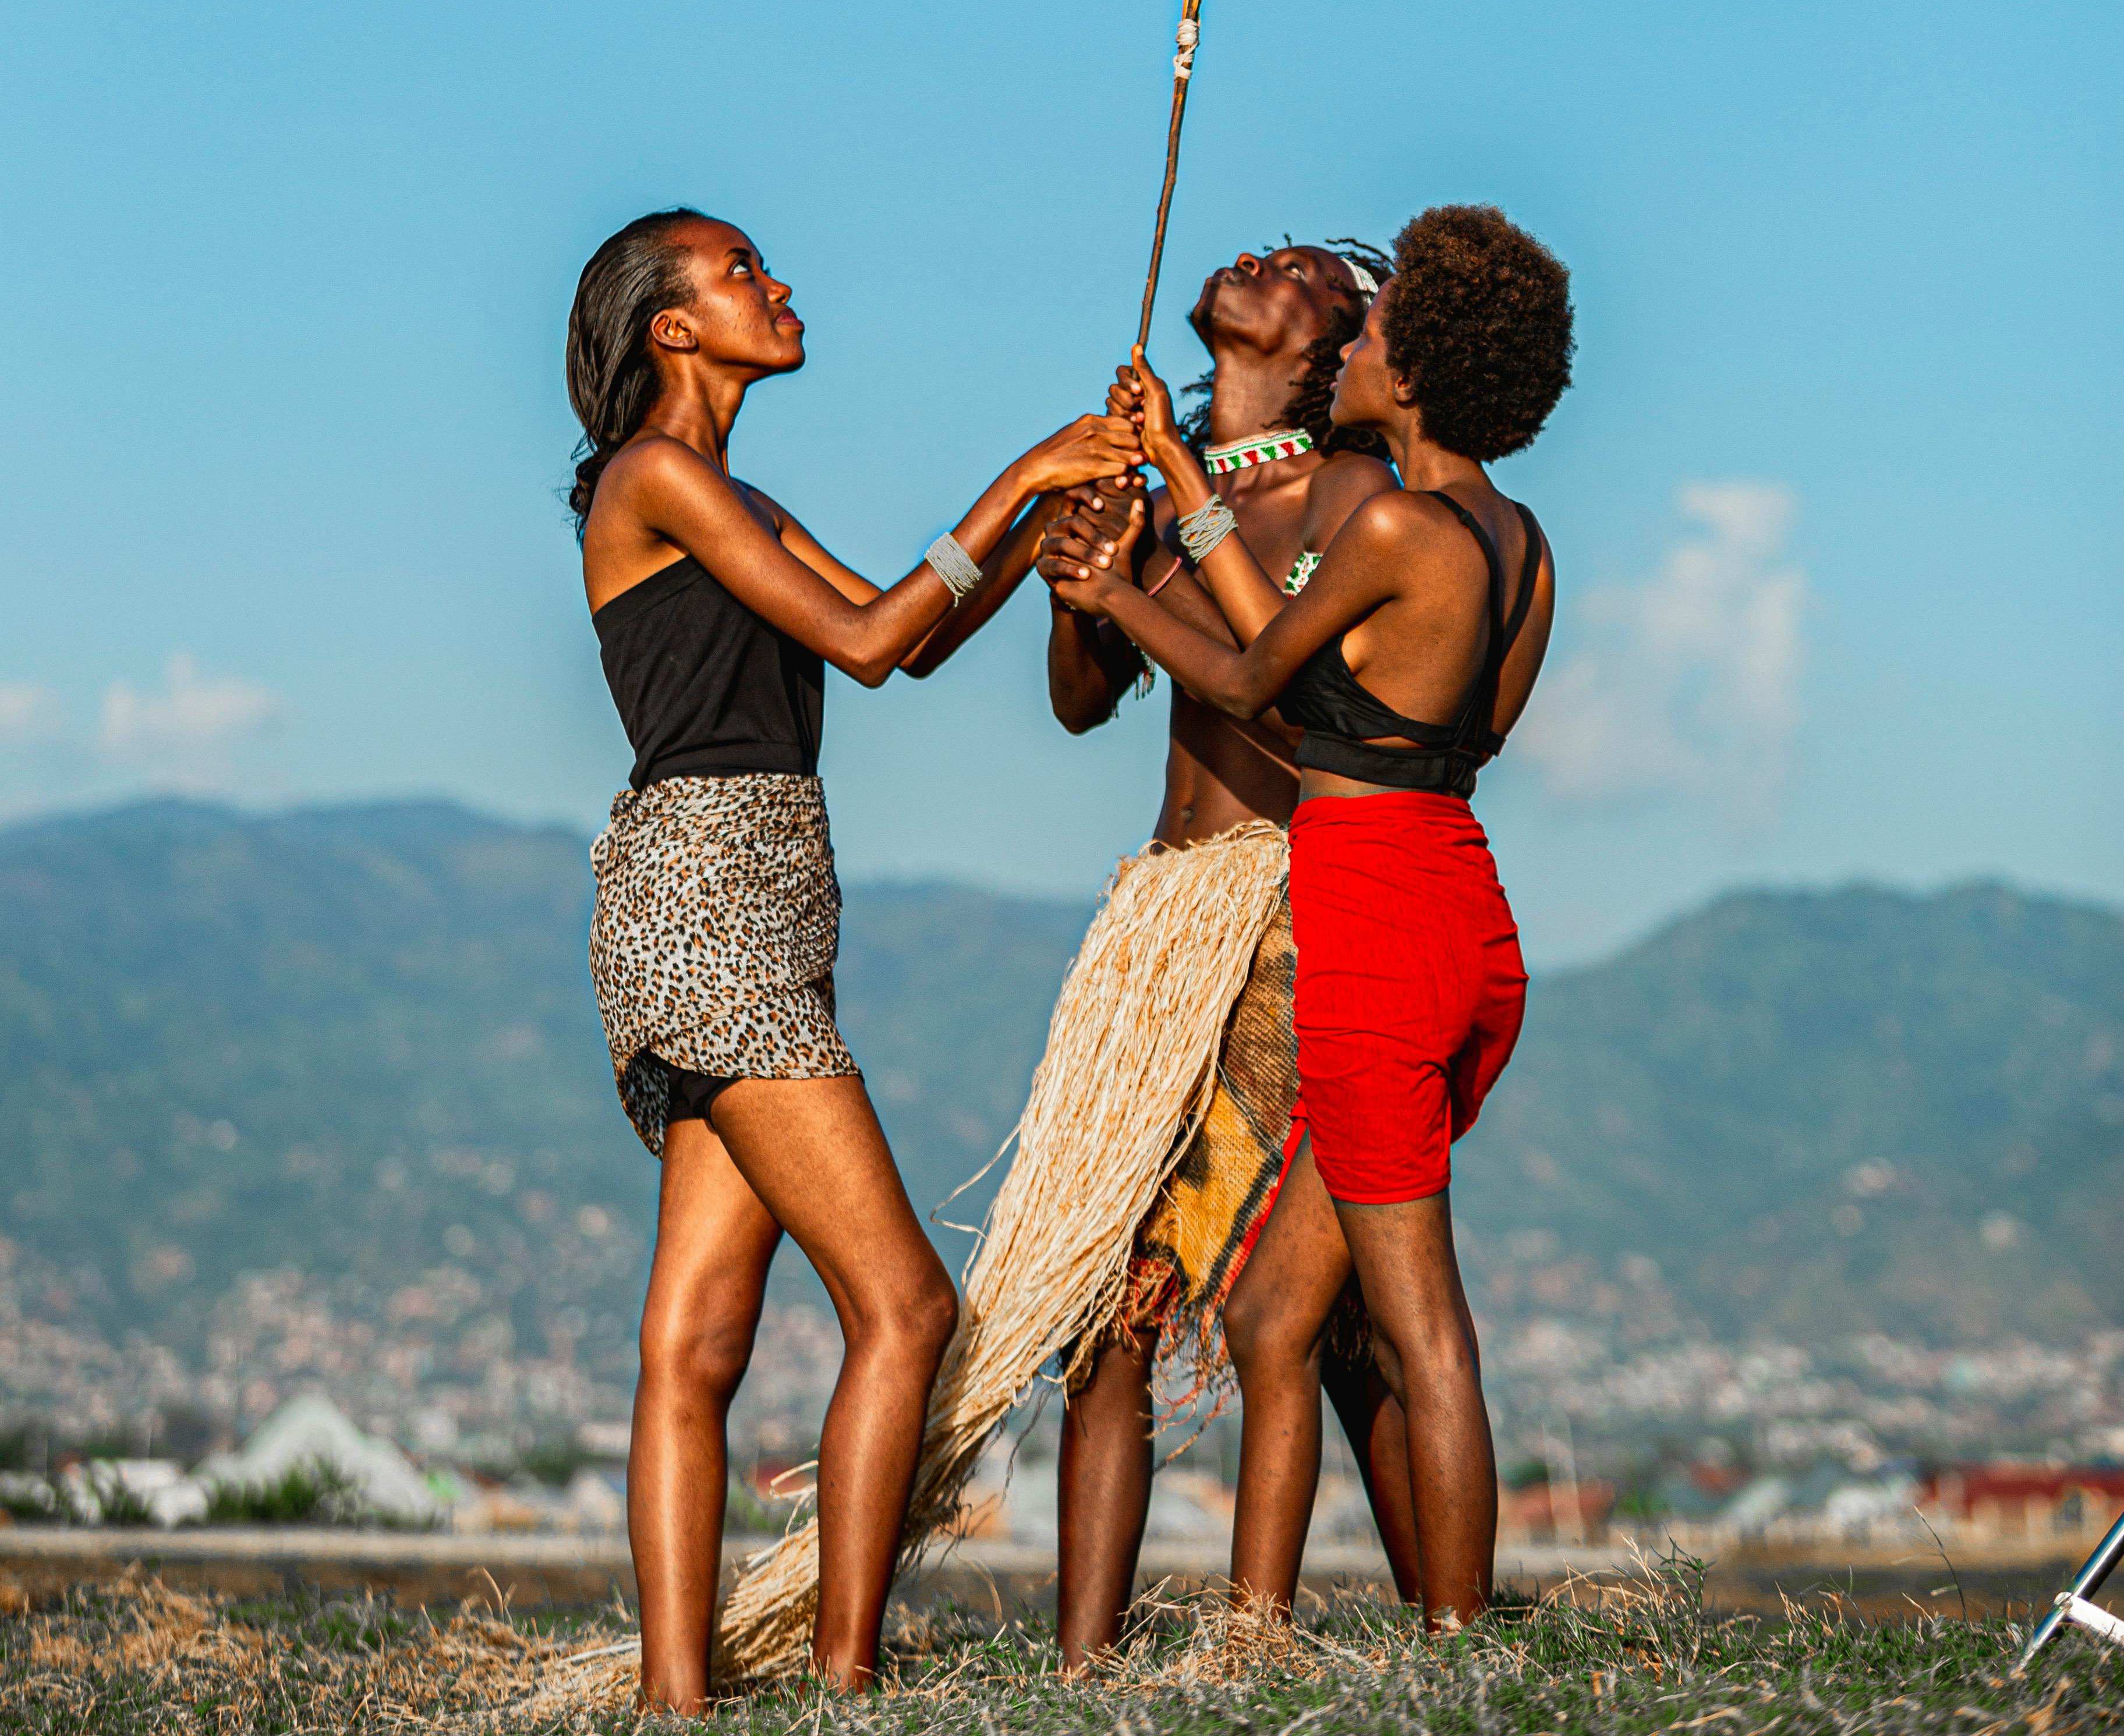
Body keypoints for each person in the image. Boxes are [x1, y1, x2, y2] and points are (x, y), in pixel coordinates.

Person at [567, 206, 1134, 1706]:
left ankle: (676, 1701)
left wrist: (1044, 530)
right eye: (744, 271)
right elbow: (874, 641)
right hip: (710, 909)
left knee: (696, 1342)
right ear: (674, 328)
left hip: (747, 906)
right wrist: (1026, 470)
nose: (782, 283)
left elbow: (913, 636)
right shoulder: (661, 477)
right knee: (907, 1305)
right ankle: (844, 1676)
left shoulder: (724, 490)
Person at [1043, 204, 1573, 1630]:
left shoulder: (1379, 511)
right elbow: (1434, 720)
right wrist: (1146, 505)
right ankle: (1265, 1632)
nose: (1356, 336)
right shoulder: (1511, 542)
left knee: (1397, 1324)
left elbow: (1251, 678)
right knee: (1286, 1318)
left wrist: (1119, 584)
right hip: (1451, 893)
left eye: (1369, 316)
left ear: (1394, 363)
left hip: (1353, 913)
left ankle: (1449, 1632)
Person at [1042, 245, 1424, 1663]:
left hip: (1291, 911)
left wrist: (1175, 524)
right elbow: (1086, 701)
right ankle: (1084, 1664)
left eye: (1312, 267)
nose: (1266, 258)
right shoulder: (1153, 492)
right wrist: (1078, 572)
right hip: (1163, 928)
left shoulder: (1349, 499)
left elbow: (1304, 706)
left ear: (1337, 342)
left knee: (1324, 1319)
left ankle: (1435, 1611)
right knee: (1109, 1291)